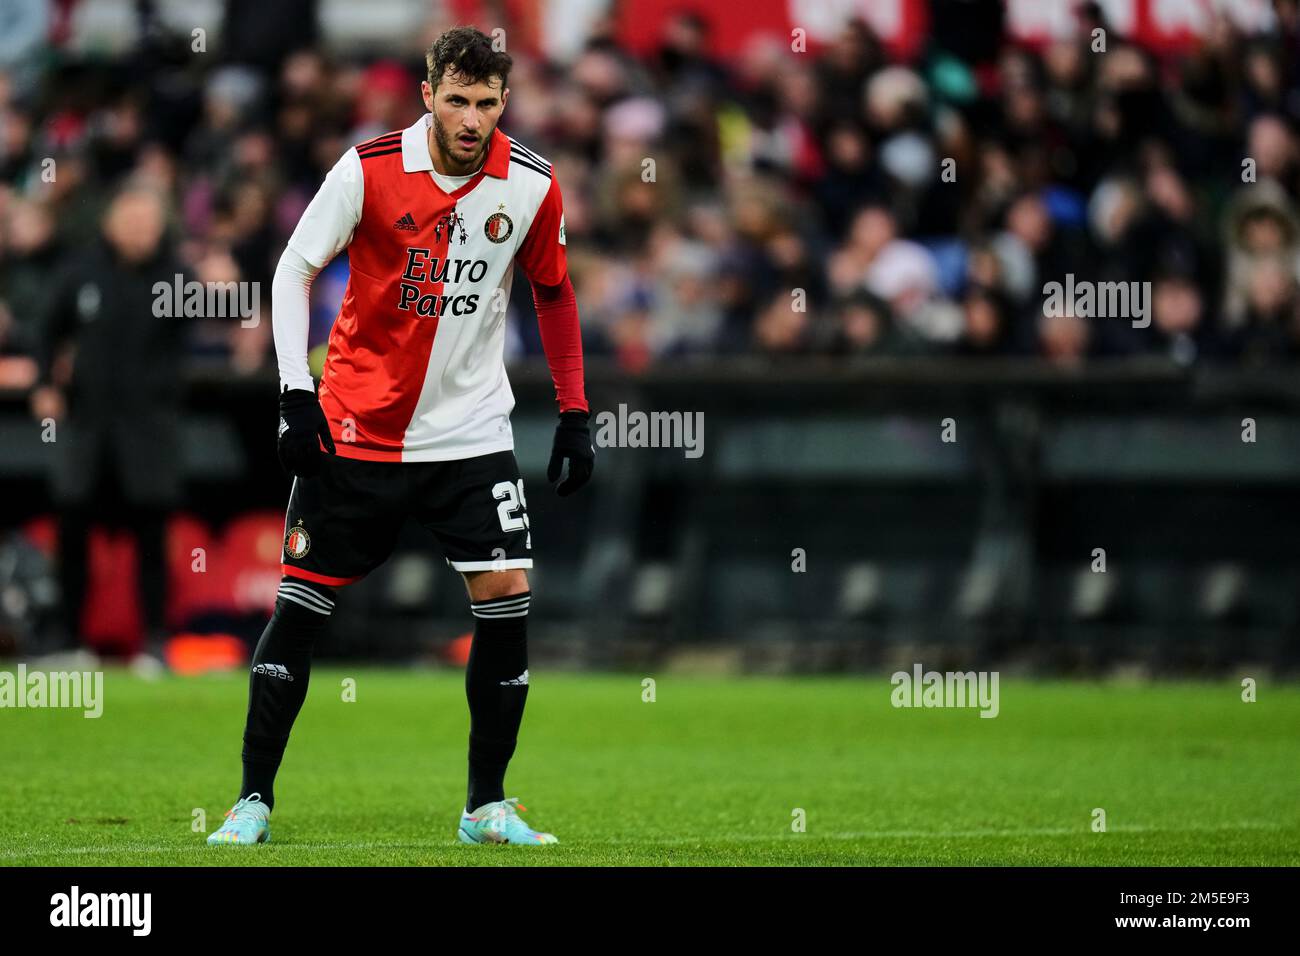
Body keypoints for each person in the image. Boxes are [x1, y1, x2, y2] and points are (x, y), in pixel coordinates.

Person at [206, 26, 593, 847]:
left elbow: (554, 294)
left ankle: (485, 805)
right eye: (457, 99)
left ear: (503, 104)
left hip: (469, 431)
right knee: (302, 607)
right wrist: (294, 397)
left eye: (488, 103)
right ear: (428, 94)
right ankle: (252, 801)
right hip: (356, 427)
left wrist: (575, 411)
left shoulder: (529, 184)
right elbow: (293, 270)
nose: (472, 118)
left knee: (506, 597)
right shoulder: (368, 168)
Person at [29, 184, 183, 673]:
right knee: (72, 531)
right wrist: (42, 382)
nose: (139, 233)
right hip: (88, 426)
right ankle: (68, 642)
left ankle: (155, 643)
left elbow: (214, 314)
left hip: (149, 430)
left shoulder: (177, 277)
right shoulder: (80, 273)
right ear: (110, 224)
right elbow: (45, 330)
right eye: (131, 222)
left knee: (152, 538)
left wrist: (224, 289)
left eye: (148, 224)